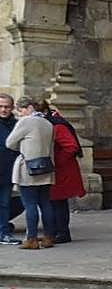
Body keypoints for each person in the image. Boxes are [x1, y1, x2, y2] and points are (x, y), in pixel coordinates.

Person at [5, 97, 56, 250]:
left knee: (30, 203)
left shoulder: (26, 121)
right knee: (46, 203)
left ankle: (32, 239)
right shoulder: (48, 123)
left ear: (27, 108)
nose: (20, 114)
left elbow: (9, 143)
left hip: (28, 168)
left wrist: (22, 146)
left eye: (20, 111)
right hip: (46, 167)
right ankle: (49, 237)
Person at [45, 105, 85, 244]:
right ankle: (58, 231)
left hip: (62, 170)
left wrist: (56, 161)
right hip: (61, 169)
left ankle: (61, 232)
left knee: (57, 202)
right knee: (56, 202)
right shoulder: (56, 123)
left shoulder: (57, 126)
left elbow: (71, 146)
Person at [0, 93, 24, 245]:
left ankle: (3, 232)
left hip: (7, 170)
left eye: (6, 107)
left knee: (4, 203)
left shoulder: (17, 125)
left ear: (12, 108)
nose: (3, 110)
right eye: (0, 106)